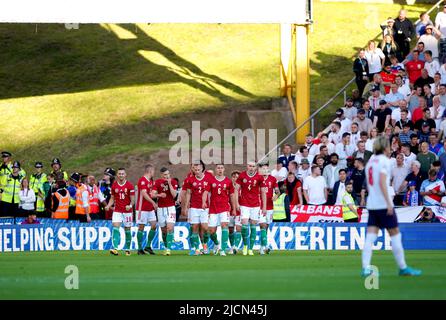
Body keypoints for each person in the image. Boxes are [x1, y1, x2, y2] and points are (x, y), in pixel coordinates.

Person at [363, 136, 421, 277]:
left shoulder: (370, 162)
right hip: (383, 203)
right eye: (389, 146)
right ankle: (403, 267)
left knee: (370, 237)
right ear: (384, 148)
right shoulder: (384, 161)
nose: (391, 149)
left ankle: (365, 268)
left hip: (372, 204)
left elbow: (370, 185)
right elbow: (383, 182)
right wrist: (389, 203)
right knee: (395, 234)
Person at [234, 161, 267, 256]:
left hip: (255, 205)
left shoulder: (259, 177)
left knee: (253, 225)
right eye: (250, 166)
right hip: (244, 204)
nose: (251, 167)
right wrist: (236, 203)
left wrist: (264, 207)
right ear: (247, 166)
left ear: (255, 167)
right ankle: (245, 245)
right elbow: (236, 190)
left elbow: (263, 193)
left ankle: (250, 248)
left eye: (253, 166)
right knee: (244, 224)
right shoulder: (242, 176)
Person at [203, 164, 235, 256]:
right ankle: (217, 243)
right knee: (212, 231)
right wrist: (204, 202)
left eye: (221, 168)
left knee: (225, 226)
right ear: (216, 170)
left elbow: (232, 195)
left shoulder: (228, 181)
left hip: (224, 208)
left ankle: (223, 250)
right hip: (213, 209)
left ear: (224, 169)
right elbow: (205, 192)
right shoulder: (211, 180)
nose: (220, 170)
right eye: (218, 168)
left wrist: (233, 208)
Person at [183, 162, 212, 255]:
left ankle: (205, 244)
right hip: (194, 207)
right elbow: (188, 193)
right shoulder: (190, 180)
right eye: (195, 170)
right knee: (194, 228)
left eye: (198, 169)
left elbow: (212, 193)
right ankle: (196, 249)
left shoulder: (209, 178)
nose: (197, 171)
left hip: (205, 207)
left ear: (202, 168)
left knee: (205, 228)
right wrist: (186, 206)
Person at [105, 168, 135, 256]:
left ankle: (128, 248)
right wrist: (108, 205)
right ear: (117, 175)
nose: (121, 175)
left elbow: (133, 200)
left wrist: (129, 206)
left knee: (127, 230)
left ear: (125, 175)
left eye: (122, 174)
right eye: (119, 174)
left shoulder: (130, 185)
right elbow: (112, 198)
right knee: (115, 227)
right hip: (117, 210)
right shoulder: (114, 186)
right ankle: (115, 248)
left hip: (127, 211)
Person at [154, 167, 179, 256]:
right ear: (161, 175)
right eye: (165, 175)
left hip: (170, 208)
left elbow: (174, 195)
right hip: (160, 209)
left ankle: (168, 249)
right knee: (164, 230)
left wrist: (169, 185)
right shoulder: (157, 182)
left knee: (169, 228)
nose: (167, 176)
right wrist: (159, 195)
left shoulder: (173, 182)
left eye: (168, 174)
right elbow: (152, 194)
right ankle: (166, 246)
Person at [135, 164, 158, 255]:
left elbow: (151, 194)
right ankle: (140, 248)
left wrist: (158, 196)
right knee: (141, 227)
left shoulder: (151, 182)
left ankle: (148, 246)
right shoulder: (142, 180)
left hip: (150, 209)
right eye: (153, 171)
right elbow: (144, 194)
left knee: (154, 225)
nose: (154, 173)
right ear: (150, 171)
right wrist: (153, 202)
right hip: (142, 209)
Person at [258, 163, 279, 255]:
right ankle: (264, 246)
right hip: (259, 206)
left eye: (267, 168)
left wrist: (276, 195)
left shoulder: (273, 179)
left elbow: (277, 191)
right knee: (262, 225)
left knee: (266, 226)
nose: (265, 170)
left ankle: (262, 246)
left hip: (270, 206)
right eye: (263, 168)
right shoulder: (258, 179)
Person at [228, 170, 242, 254]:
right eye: (234, 177)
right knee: (230, 229)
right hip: (229, 211)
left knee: (239, 228)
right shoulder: (228, 187)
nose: (235, 179)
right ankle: (232, 246)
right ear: (231, 178)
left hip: (239, 211)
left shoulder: (241, 188)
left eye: (237, 177)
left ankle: (236, 247)